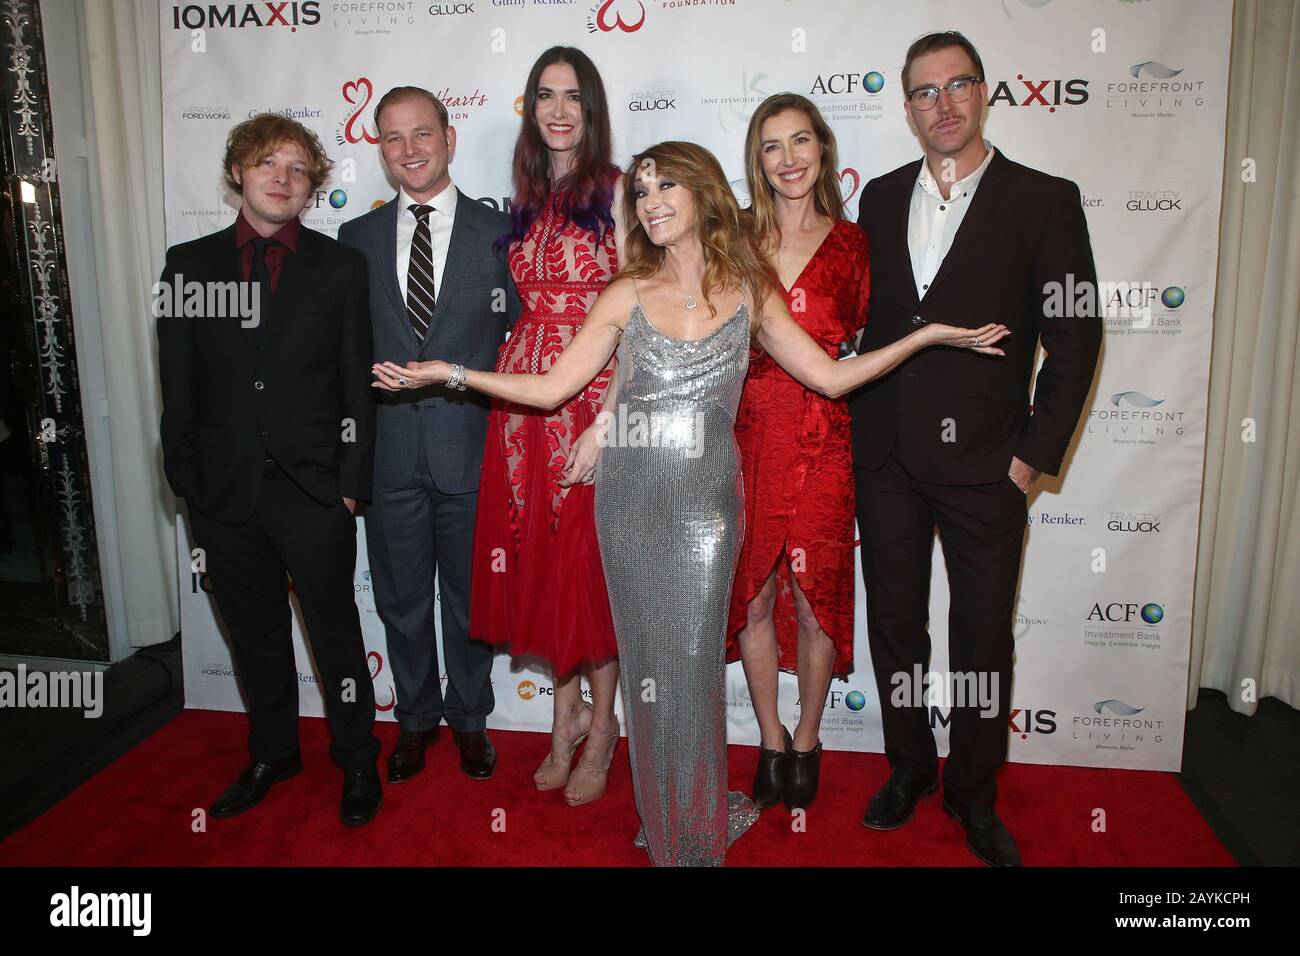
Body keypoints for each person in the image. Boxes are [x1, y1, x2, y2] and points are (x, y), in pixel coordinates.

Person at [372, 141, 1008, 866]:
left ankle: (694, 822)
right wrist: (449, 373)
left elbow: (830, 378)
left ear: (704, 193)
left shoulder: (750, 289)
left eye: (665, 184)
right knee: (647, 664)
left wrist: (924, 337)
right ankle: (669, 814)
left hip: (709, 507)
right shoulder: (624, 291)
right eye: (640, 191)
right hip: (630, 502)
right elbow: (552, 391)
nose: (650, 201)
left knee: (696, 668)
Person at [851, 31, 1101, 866]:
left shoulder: (1044, 199)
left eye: (957, 85)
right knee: (895, 627)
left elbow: (1074, 337)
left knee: (982, 639)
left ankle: (973, 792)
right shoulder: (880, 199)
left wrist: (1032, 458)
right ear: (908, 107)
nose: (942, 103)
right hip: (887, 457)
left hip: (989, 467)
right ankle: (910, 767)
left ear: (986, 92)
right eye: (924, 91)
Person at [157, 113, 381, 825]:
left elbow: (357, 384)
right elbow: (177, 382)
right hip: (223, 493)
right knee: (252, 635)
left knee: (336, 636)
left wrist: (349, 486)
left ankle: (355, 758)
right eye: (266, 165)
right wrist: (188, 479)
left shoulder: (340, 266)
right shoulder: (187, 265)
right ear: (237, 174)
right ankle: (273, 751)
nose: (281, 178)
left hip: (313, 489)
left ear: (312, 185)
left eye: (296, 169)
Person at [337, 87, 518, 784]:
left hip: (472, 452)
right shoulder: (355, 239)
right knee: (401, 597)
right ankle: (414, 720)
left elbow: (524, 341)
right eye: (392, 138)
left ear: (448, 136)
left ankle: (470, 719)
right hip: (387, 457)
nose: (409, 149)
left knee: (470, 599)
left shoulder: (498, 230)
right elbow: (345, 360)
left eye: (421, 133)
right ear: (378, 148)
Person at [469, 47, 626, 807]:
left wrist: (611, 420)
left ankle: (604, 730)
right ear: (531, 110)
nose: (559, 109)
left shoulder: (624, 194)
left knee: (587, 568)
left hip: (593, 398)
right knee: (539, 555)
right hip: (524, 405)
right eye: (545, 96)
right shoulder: (526, 197)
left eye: (573, 97)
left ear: (591, 111)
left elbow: (641, 319)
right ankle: (565, 719)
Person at [727, 93, 869, 813]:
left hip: (825, 439)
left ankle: (809, 738)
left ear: (822, 149)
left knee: (816, 601)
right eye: (772, 145)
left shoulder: (854, 245)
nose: (788, 159)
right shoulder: (736, 243)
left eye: (800, 141)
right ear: (758, 160)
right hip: (748, 437)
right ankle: (771, 737)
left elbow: (869, 351)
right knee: (750, 597)